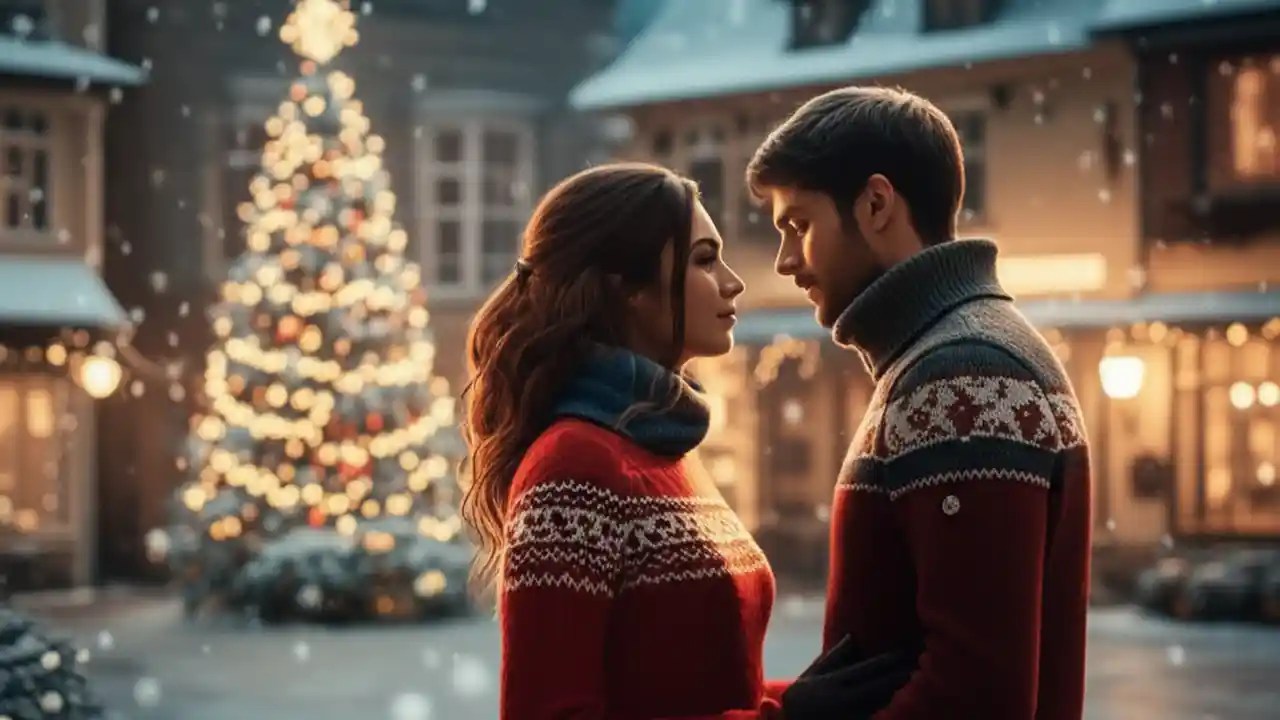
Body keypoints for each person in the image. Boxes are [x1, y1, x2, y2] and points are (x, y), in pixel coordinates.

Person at [747, 86, 1092, 719]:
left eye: (799, 225)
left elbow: (972, 694)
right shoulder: (944, 355)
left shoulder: (962, 374)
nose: (786, 261)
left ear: (876, 203)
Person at [463, 163, 783, 720]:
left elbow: (699, 685)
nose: (733, 282)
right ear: (628, 287)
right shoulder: (572, 467)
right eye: (704, 260)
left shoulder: (665, 447)